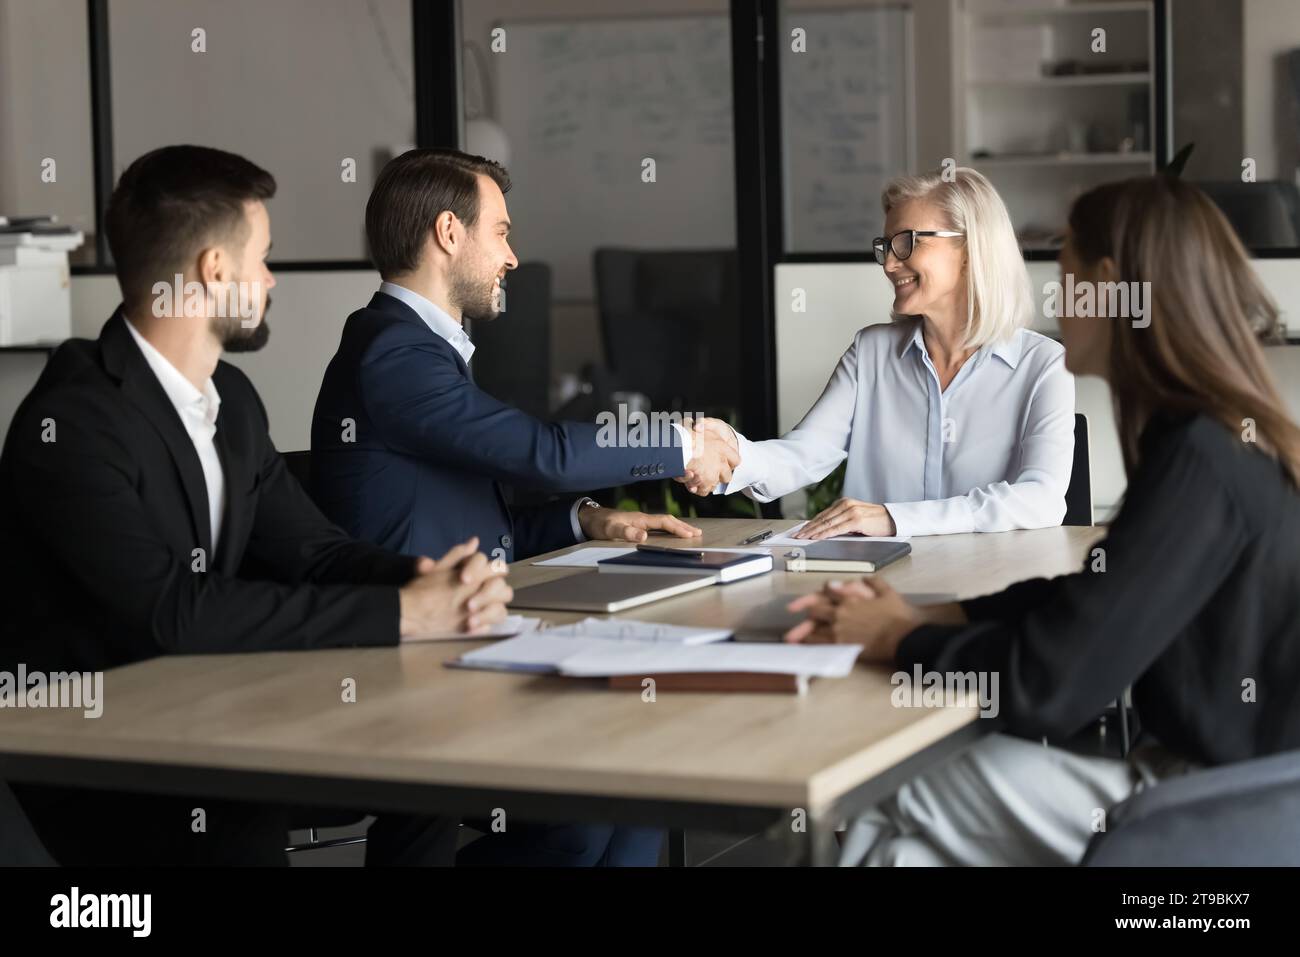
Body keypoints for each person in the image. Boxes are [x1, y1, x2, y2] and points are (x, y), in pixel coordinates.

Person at [0, 145, 510, 866]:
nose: (271, 280)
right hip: (102, 763)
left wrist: (429, 581)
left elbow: (316, 550)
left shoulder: (231, 403)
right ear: (214, 270)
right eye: (263, 258)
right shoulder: (74, 422)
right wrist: (403, 614)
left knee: (434, 758)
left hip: (218, 712)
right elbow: (172, 612)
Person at [785, 174, 1300, 866]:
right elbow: (1098, 594)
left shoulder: (1200, 461)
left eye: (1065, 279)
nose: (1054, 304)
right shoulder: (1214, 441)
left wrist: (902, 640)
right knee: (902, 849)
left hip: (1211, 809)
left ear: (1109, 286)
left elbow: (1050, 686)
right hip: (1241, 793)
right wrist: (947, 616)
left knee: (887, 786)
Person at [311, 148, 738, 866]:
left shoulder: (423, 350)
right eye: (502, 231)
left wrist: (586, 521)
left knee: (635, 783)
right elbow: (542, 451)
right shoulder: (395, 353)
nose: (513, 255)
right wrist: (677, 440)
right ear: (449, 233)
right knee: (595, 796)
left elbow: (480, 515)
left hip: (469, 638)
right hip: (415, 665)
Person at [684, 167, 1074, 539]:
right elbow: (805, 454)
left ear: (970, 249)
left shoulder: (1043, 365)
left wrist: (893, 517)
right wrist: (735, 453)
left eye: (906, 242)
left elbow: (1041, 500)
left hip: (982, 586)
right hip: (875, 579)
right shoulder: (871, 351)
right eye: (885, 246)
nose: (889, 263)